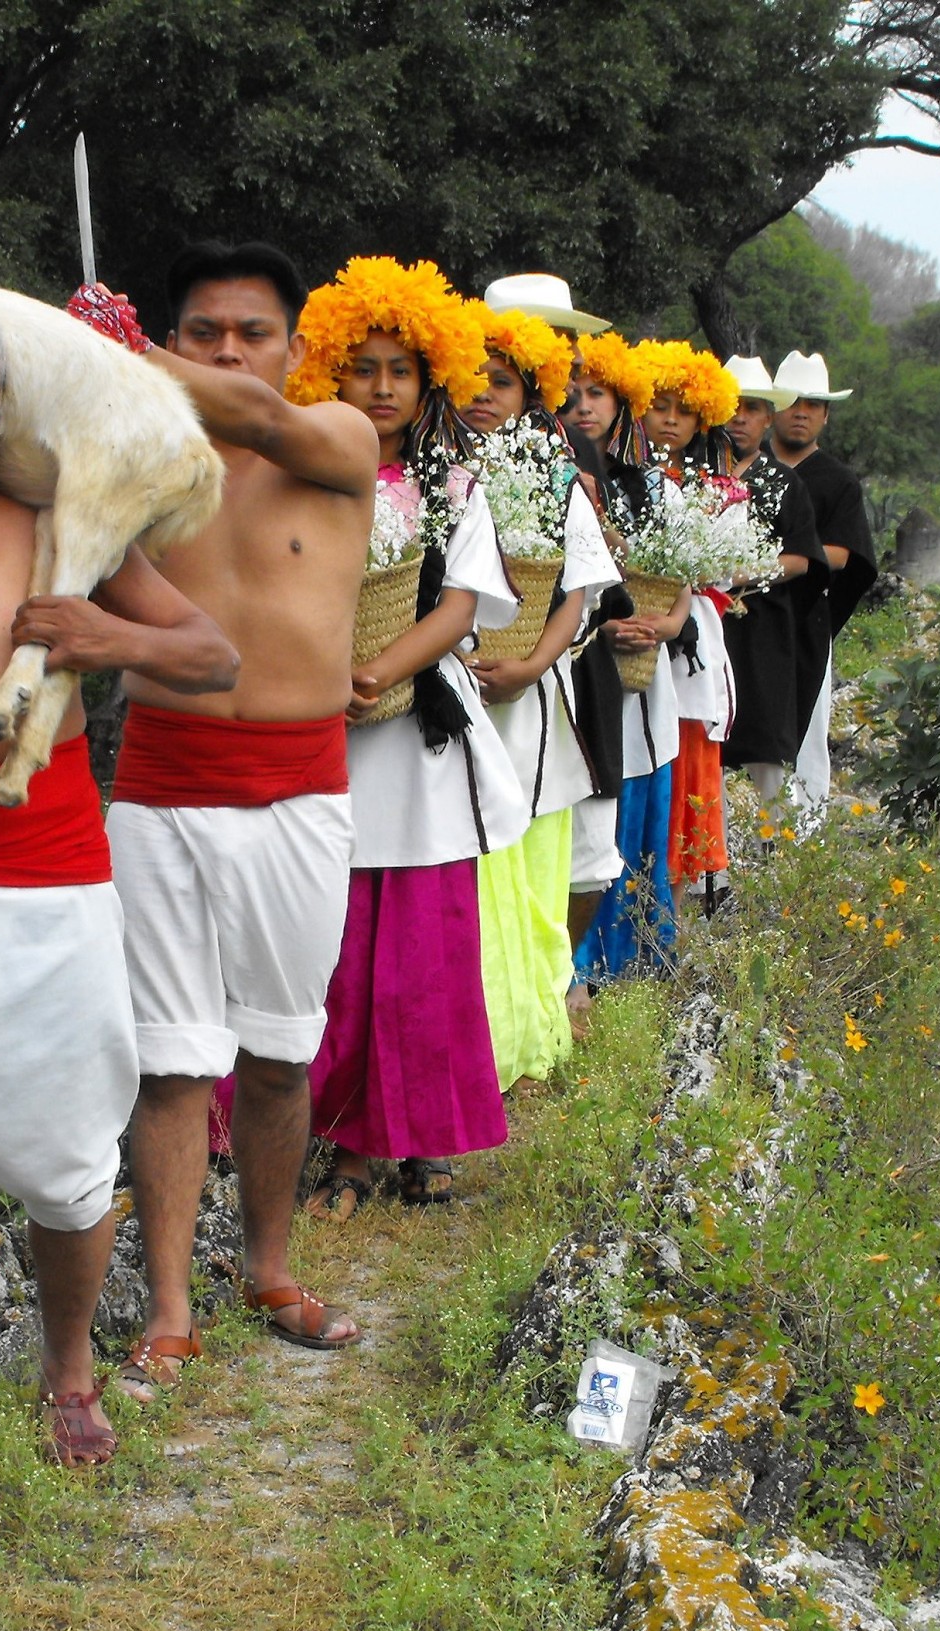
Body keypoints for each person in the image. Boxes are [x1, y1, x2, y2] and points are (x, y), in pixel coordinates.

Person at [0, 285, 238, 1465]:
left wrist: (103, 637)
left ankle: (67, 1366)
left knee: (71, 1170)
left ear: (4, 405)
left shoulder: (53, 523)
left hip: (48, 877)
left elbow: (210, 654)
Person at [102, 241, 376, 1389]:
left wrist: (125, 353)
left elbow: (258, 421)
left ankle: (266, 1265)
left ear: (295, 346)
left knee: (276, 1050)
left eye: (249, 332)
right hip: (161, 785)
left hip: (301, 791)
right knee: (168, 1064)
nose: (225, 352)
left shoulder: (337, 439)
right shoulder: (134, 460)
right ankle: (168, 1307)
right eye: (201, 330)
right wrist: (103, 376)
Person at [288, 256, 528, 1215]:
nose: (382, 388)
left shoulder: (456, 483)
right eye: (362, 368)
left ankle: (405, 1138)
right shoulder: (300, 473)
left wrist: (383, 669)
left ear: (430, 380)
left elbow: (466, 602)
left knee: (421, 957)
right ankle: (333, 1141)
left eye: (400, 369)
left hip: (416, 743)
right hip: (319, 738)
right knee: (333, 948)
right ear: (329, 376)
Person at [459, 301, 618, 1087]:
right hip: (442, 698)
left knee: (529, 870)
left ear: (531, 395)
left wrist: (530, 665)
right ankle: (465, 1038)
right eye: (472, 379)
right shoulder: (427, 469)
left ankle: (518, 1031)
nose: (484, 395)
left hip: (529, 702)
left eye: (503, 383)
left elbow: (580, 591)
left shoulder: (557, 476)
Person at [565, 333, 689, 981]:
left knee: (635, 809)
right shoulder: (558, 475)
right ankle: (579, 962)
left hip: (644, 674)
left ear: (622, 402)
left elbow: (682, 581)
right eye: (575, 391)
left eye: (599, 392)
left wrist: (662, 624)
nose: (585, 405)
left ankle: (635, 953)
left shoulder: (652, 488)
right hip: (584, 666)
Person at [638, 345, 741, 914]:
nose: (672, 419)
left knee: (689, 772)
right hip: (647, 640)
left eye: (686, 410)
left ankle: (670, 915)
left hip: (694, 645)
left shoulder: (718, 492)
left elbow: (724, 570)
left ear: (704, 419)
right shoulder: (628, 480)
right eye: (660, 405)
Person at [713, 357, 827, 812]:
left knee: (766, 746)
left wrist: (740, 572)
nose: (740, 417)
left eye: (753, 407)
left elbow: (803, 558)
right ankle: (707, 862)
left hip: (763, 632)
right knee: (705, 743)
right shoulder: (693, 475)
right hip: (704, 630)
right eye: (732, 405)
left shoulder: (785, 482)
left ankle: (775, 854)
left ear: (767, 417)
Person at [769, 350, 878, 822]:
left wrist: (779, 561)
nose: (801, 411)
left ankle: (802, 838)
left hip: (803, 621)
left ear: (826, 415)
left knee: (807, 732)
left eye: (813, 403)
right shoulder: (745, 466)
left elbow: (845, 554)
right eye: (793, 400)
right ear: (772, 406)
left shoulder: (837, 481)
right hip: (735, 617)